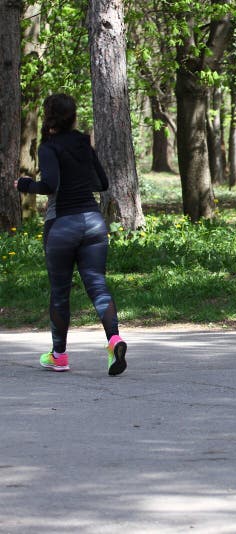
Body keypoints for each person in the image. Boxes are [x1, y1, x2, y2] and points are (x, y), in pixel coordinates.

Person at [15, 93, 127, 376]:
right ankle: (114, 340)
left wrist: (26, 184)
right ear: (74, 116)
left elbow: (50, 185)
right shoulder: (83, 143)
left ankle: (59, 356)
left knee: (60, 292)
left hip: (62, 225)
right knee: (97, 284)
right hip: (93, 223)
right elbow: (102, 183)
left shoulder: (48, 147)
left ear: (49, 116)